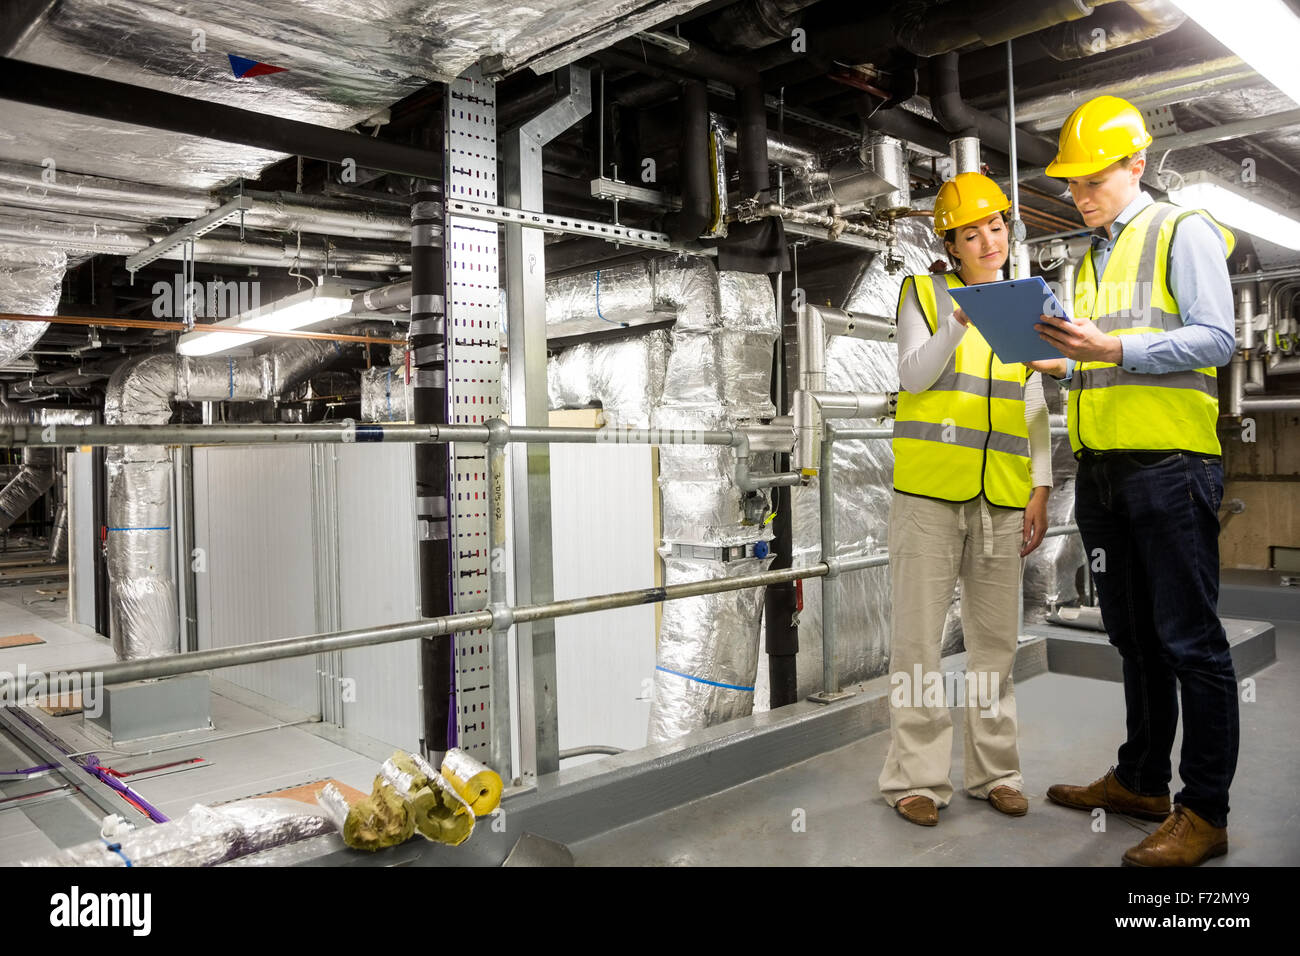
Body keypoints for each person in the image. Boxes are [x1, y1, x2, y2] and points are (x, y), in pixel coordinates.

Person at [1028, 95, 1239, 866]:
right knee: (1134, 637)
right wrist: (1059, 356)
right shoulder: (1086, 259)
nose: (1080, 196)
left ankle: (1205, 811)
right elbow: (1096, 355)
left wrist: (1110, 350)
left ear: (1136, 166)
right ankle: (1142, 780)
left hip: (1170, 467)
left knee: (1191, 641)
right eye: (1072, 185)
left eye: (1094, 180)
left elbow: (1217, 339)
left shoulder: (1181, 231)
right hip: (1104, 472)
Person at [880, 171, 1052, 827]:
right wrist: (958, 319)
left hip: (1002, 498)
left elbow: (1032, 401)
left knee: (995, 645)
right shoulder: (922, 292)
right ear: (950, 244)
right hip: (928, 495)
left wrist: (1040, 486)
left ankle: (996, 773)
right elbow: (912, 373)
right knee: (919, 644)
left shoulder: (1025, 302)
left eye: (997, 225)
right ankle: (915, 779)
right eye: (972, 231)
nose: (989, 239)